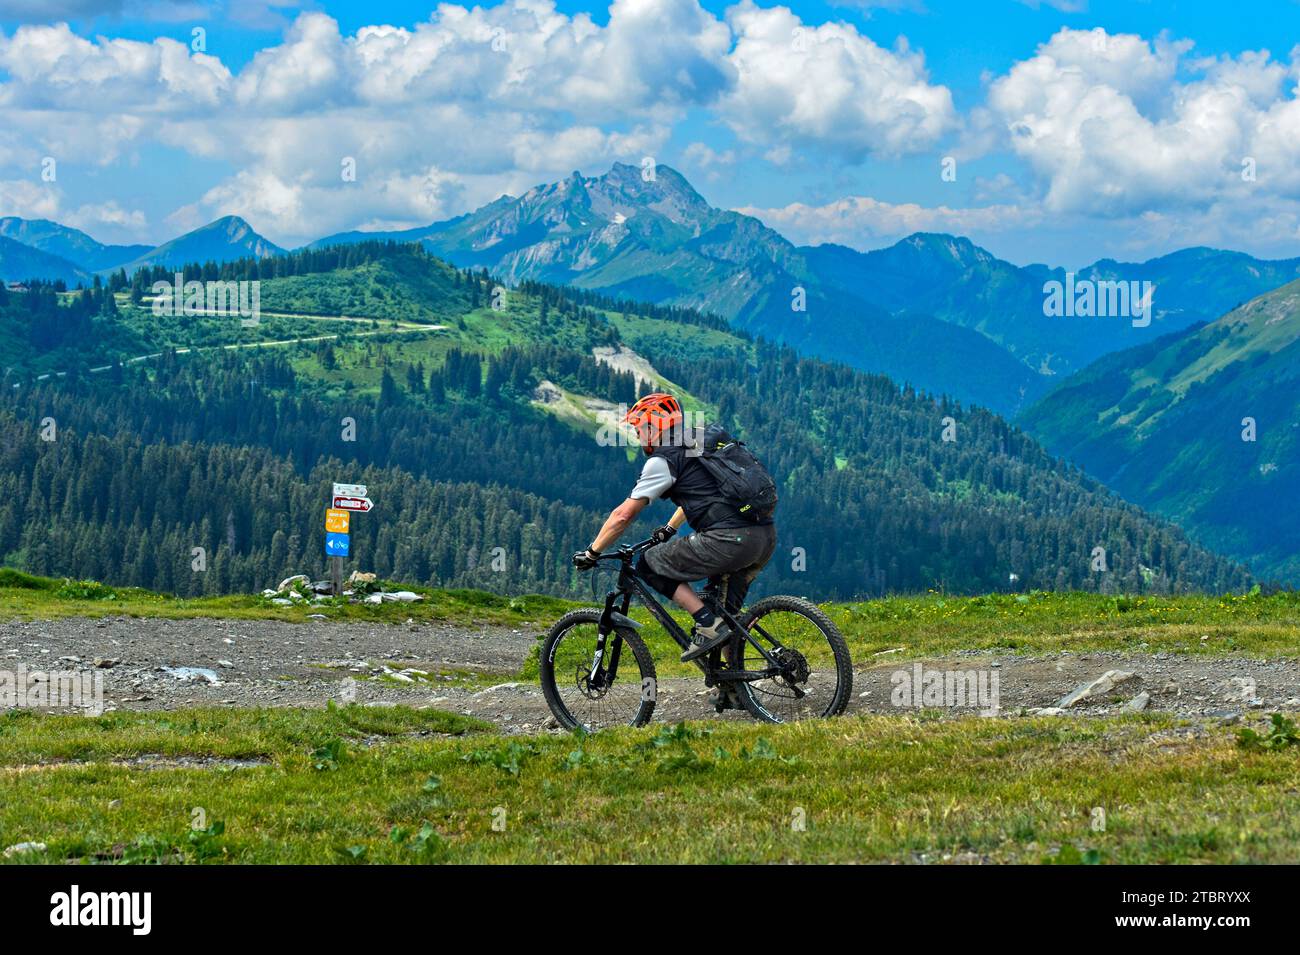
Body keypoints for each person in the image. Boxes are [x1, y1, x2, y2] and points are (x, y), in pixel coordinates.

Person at [572, 392, 777, 664]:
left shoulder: (662, 460)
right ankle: (733, 687)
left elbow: (623, 515)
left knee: (647, 563)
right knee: (727, 615)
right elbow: (709, 493)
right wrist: (669, 529)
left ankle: (706, 623)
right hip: (763, 537)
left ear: (653, 425)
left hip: (729, 541)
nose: (636, 435)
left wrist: (593, 552)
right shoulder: (698, 441)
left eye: (639, 428)